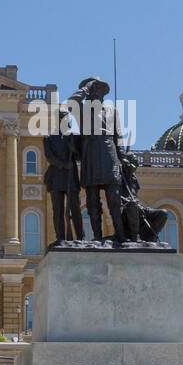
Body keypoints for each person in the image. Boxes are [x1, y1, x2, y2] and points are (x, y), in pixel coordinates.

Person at [67, 77, 126, 244]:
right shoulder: (83, 110)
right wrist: (85, 88)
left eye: (98, 88)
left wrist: (121, 158)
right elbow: (71, 102)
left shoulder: (112, 110)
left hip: (108, 149)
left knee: (114, 196)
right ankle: (98, 237)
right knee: (92, 199)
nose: (95, 92)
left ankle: (120, 234)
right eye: (93, 89)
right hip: (90, 149)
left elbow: (118, 136)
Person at [44, 107, 83, 244]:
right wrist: (62, 164)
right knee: (58, 210)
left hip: (71, 177)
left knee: (75, 208)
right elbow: (49, 156)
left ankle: (80, 237)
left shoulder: (72, 137)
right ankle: (60, 237)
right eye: (63, 118)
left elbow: (79, 157)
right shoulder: (48, 138)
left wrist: (75, 150)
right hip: (56, 177)